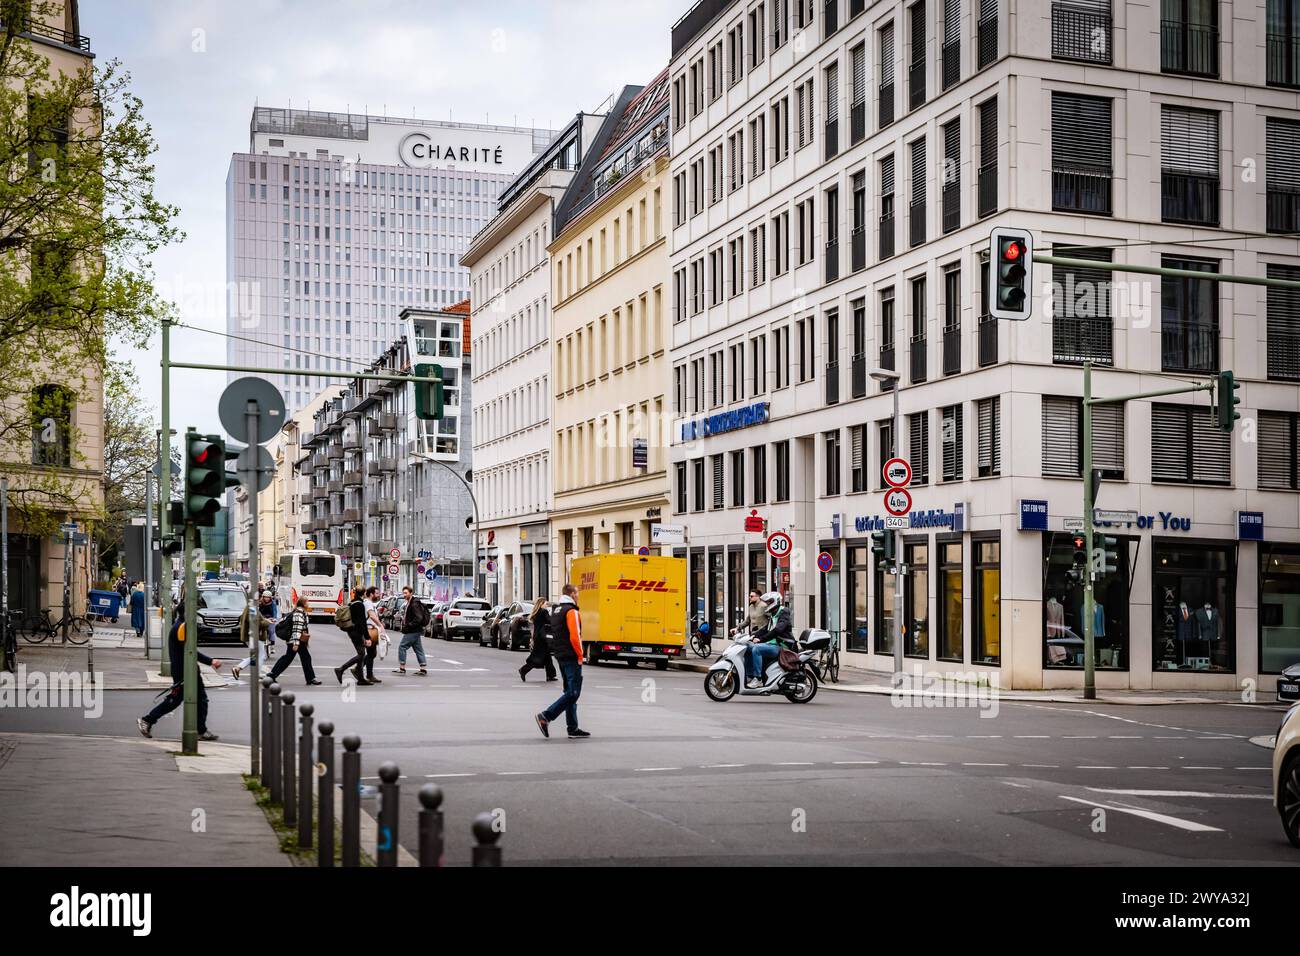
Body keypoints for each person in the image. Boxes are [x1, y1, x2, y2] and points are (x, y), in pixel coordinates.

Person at [137, 598, 223, 740]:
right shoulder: (181, 628)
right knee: (175, 700)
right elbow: (190, 651)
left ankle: (201, 730)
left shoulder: (183, 625)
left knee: (200, 700)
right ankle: (147, 720)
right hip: (184, 671)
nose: (196, 614)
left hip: (189, 670)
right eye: (195, 612)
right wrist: (211, 661)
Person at [535, 584, 589, 738]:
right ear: (572, 594)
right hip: (571, 656)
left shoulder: (557, 610)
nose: (578, 595)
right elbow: (575, 636)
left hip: (560, 654)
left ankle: (572, 728)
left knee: (569, 692)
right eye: (577, 593)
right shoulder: (571, 611)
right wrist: (580, 655)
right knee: (573, 692)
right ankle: (546, 716)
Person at [265, 595, 318, 684]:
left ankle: (273, 674)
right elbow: (296, 629)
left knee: (292, 658)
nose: (309, 603)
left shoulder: (300, 612)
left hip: (295, 640)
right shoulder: (298, 614)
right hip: (296, 640)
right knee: (298, 658)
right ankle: (310, 678)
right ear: (304, 603)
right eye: (307, 602)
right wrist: (296, 643)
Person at [745, 591, 793, 688]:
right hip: (772, 644)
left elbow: (777, 630)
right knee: (748, 648)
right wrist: (753, 636)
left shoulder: (783, 612)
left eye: (768, 603)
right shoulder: (773, 614)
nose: (766, 604)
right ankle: (750, 676)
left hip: (782, 645)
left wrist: (761, 639)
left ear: (774, 602)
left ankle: (758, 679)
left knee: (756, 649)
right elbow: (766, 629)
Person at [334, 588, 373, 686]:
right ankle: (341, 669)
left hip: (352, 630)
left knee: (361, 654)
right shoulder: (359, 604)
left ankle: (360, 678)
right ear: (363, 593)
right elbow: (362, 622)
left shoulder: (353, 602)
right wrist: (367, 637)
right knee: (361, 654)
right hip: (356, 632)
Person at [518, 597, 557, 682]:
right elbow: (549, 621)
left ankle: (550, 675)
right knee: (537, 658)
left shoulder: (536, 613)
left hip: (538, 637)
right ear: (541, 604)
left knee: (547, 657)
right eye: (546, 604)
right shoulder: (544, 611)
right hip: (542, 638)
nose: (547, 605)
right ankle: (523, 670)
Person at [393, 586, 429, 676]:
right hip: (415, 630)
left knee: (402, 646)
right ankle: (423, 668)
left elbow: (419, 618)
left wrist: (408, 626)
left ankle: (402, 667)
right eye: (403, 593)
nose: (404, 595)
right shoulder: (410, 602)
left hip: (413, 630)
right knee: (418, 649)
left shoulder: (414, 603)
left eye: (406, 593)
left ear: (411, 593)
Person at [362, 586, 385, 683]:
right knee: (371, 653)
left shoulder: (370, 603)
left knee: (372, 653)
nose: (378, 595)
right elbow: (371, 615)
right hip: (369, 630)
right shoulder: (368, 603)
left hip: (371, 630)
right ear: (371, 594)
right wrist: (380, 625)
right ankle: (364, 672)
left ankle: (367, 673)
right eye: (376, 593)